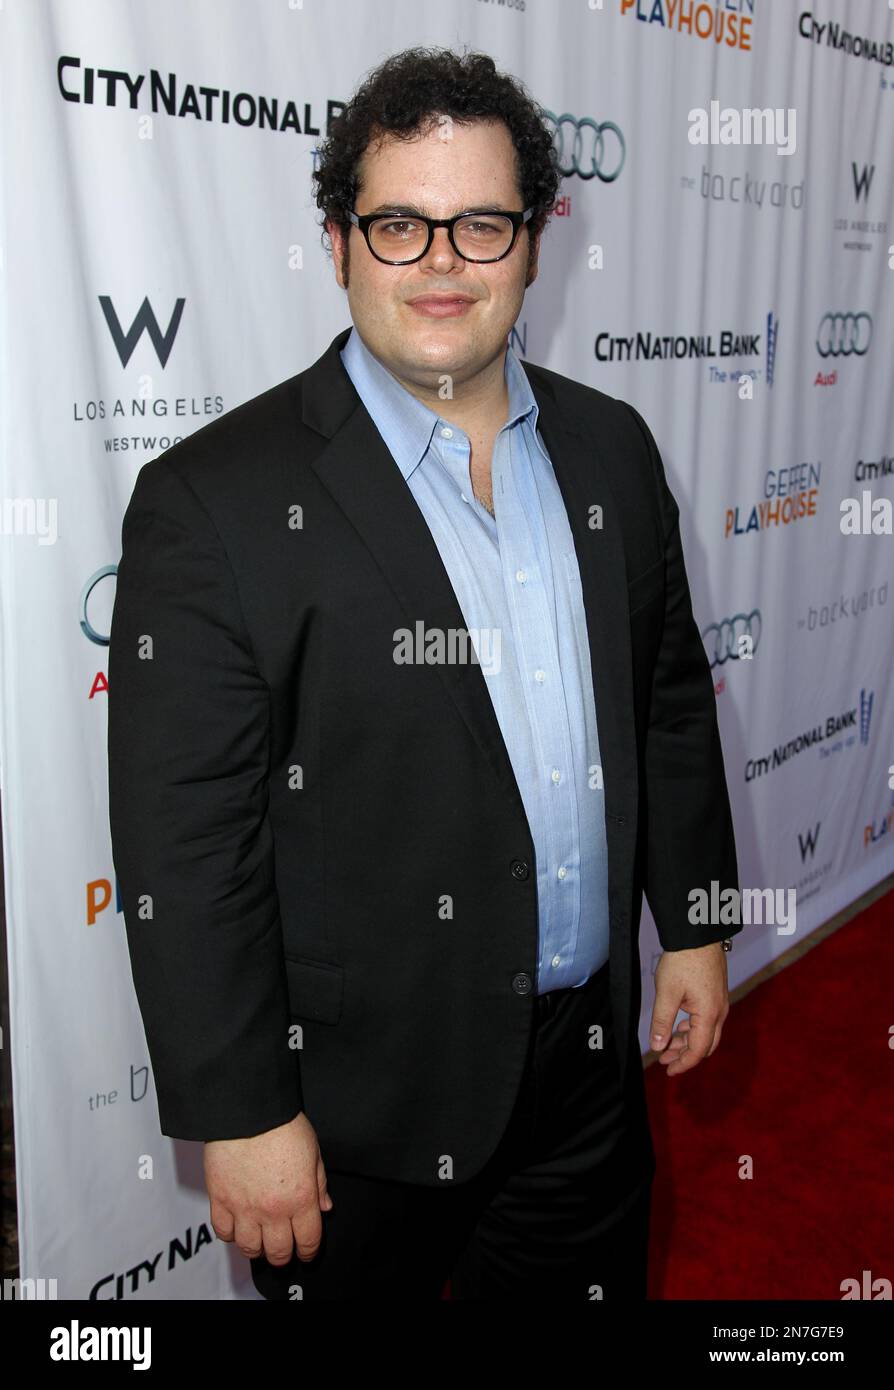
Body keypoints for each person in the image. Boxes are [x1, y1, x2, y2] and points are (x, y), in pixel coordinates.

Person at [107, 46, 740, 1302]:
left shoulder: (613, 450)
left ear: (534, 243)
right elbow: (188, 843)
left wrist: (701, 921)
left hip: (588, 1075)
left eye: (482, 224)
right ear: (339, 242)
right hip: (357, 1114)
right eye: (400, 224)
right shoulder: (213, 502)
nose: (443, 262)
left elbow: (667, 698)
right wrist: (241, 1111)